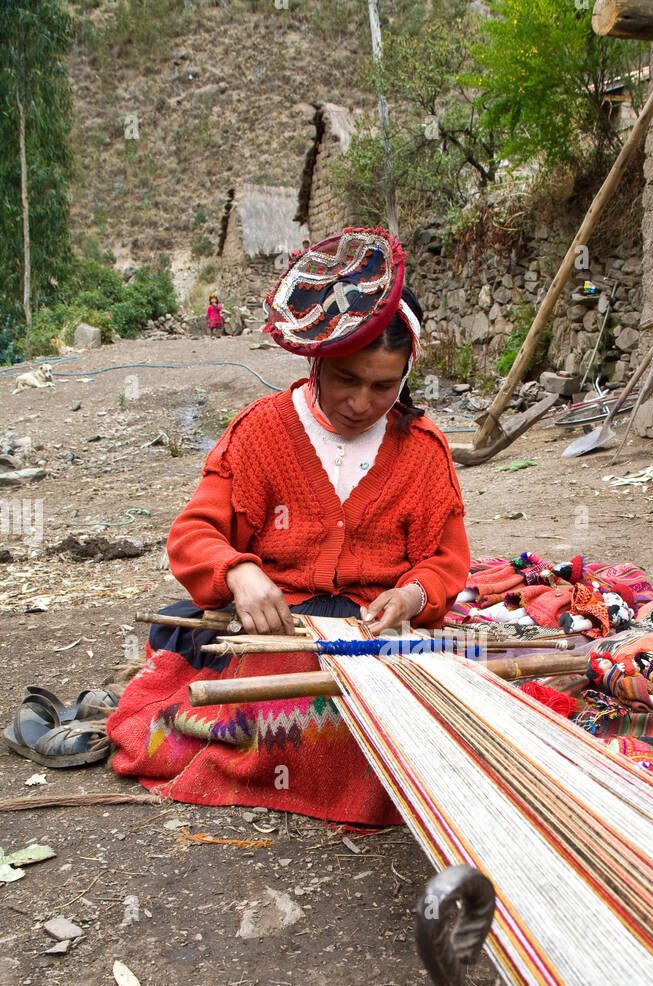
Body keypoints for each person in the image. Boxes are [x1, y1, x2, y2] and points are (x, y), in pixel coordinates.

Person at [107, 228, 470, 825]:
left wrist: (410, 594)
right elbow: (194, 533)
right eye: (347, 380)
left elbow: (446, 562)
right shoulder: (261, 432)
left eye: (384, 386)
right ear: (316, 361)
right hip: (272, 626)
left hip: (371, 631)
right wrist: (240, 572)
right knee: (298, 700)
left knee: (424, 716)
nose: (361, 402)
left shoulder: (424, 451)